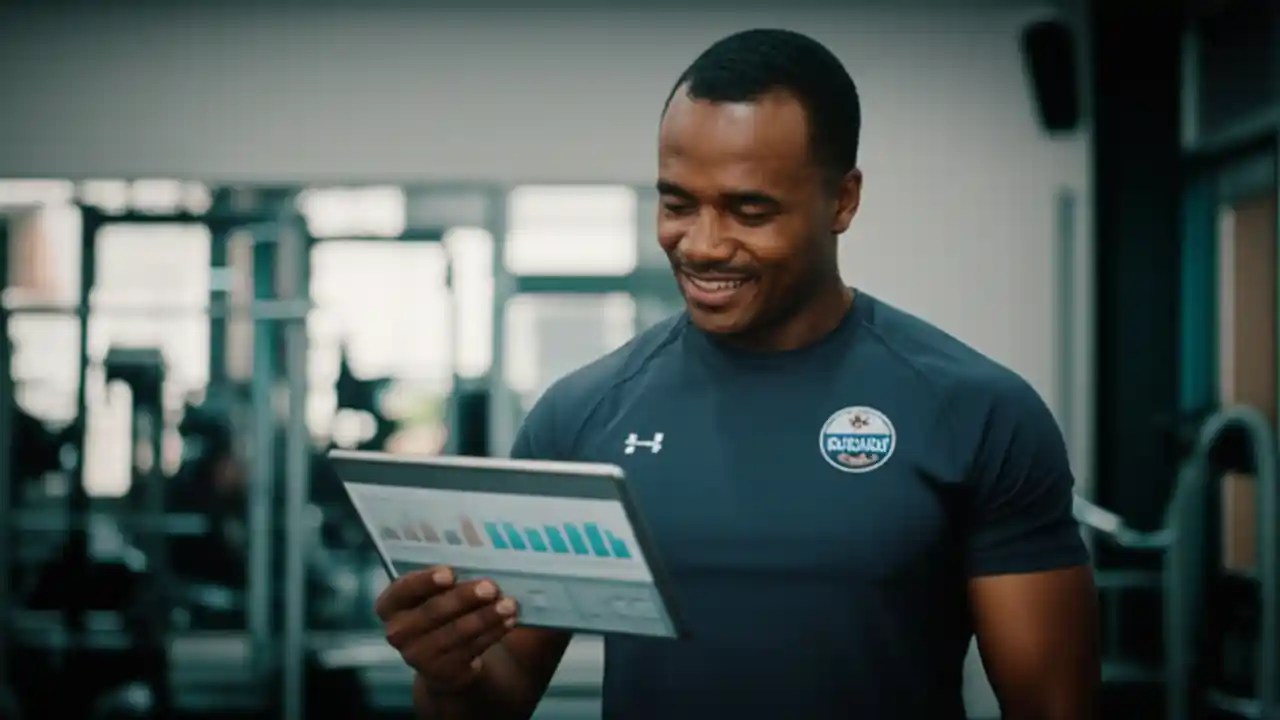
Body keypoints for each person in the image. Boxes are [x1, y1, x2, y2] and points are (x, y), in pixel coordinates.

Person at [375, 28, 1100, 719]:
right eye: (676, 203)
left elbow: (1053, 707)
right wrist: (449, 672)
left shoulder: (977, 412)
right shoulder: (582, 416)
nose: (703, 243)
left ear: (842, 200)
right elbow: (491, 701)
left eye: (749, 210)